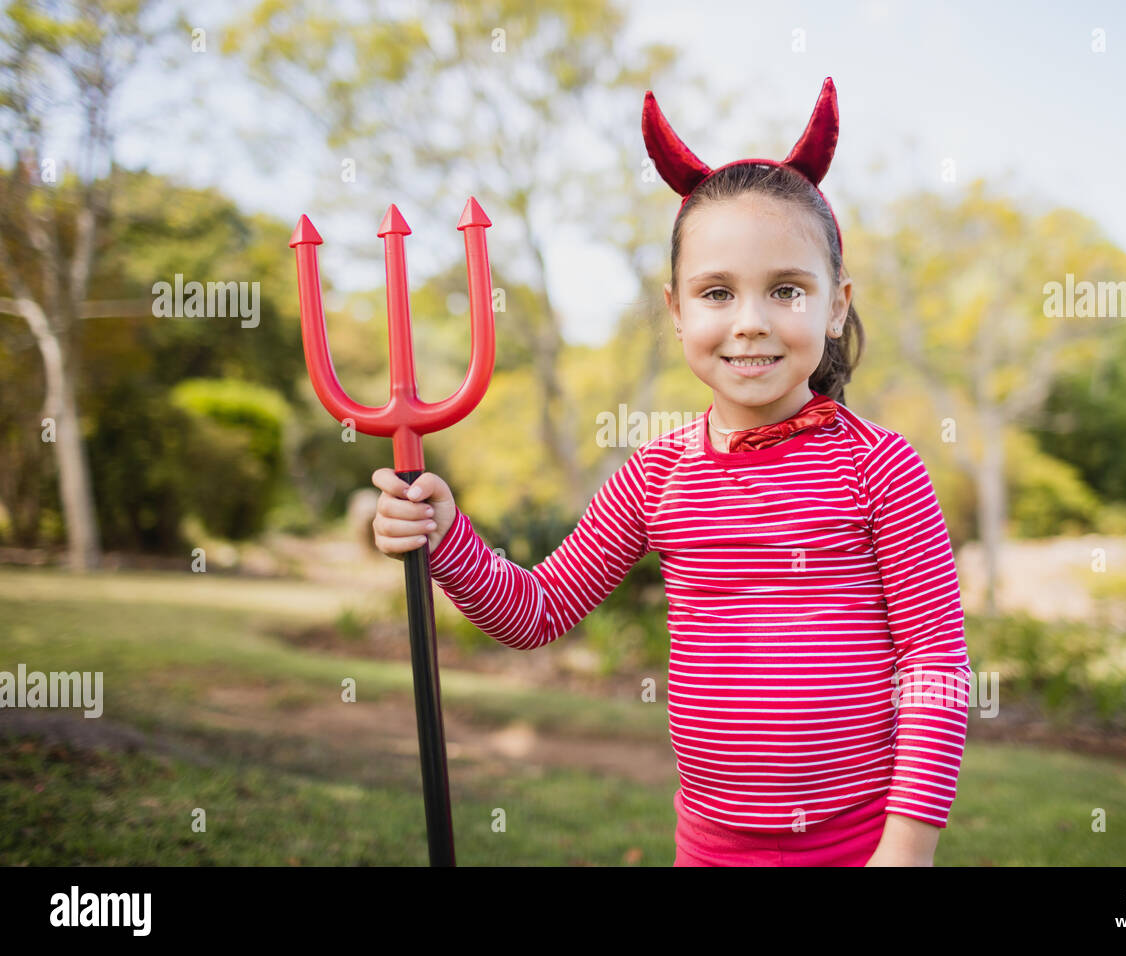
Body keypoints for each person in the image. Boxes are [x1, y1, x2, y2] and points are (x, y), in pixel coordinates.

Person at [371, 76, 974, 866]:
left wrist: (908, 849)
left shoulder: (882, 468)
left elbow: (934, 666)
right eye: (717, 292)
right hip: (711, 847)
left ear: (835, 306)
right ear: (677, 310)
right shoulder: (658, 475)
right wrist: (446, 537)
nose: (750, 321)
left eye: (786, 290)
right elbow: (539, 611)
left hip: (859, 846)